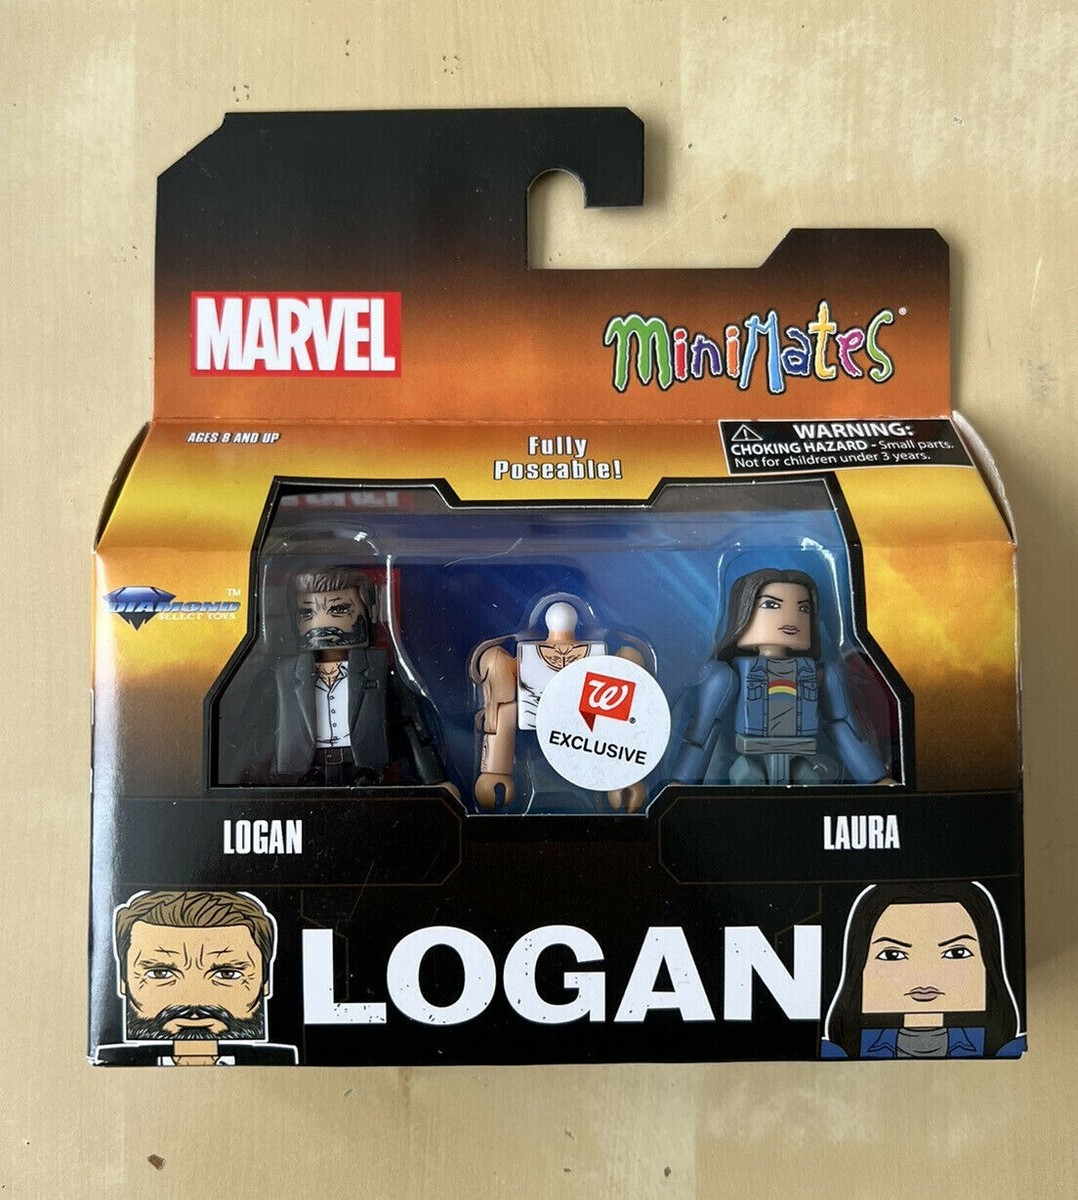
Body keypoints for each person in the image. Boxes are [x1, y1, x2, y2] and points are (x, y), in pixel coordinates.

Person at [238, 565, 453, 789]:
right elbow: (253, 733)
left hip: (363, 772)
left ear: (369, 612)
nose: (322, 624)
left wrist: (434, 779)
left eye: (338, 610)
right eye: (307, 613)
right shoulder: (282, 677)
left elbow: (411, 728)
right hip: (308, 774)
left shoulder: (381, 674)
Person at [673, 567, 887, 785]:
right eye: (771, 605)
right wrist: (682, 782)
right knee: (747, 779)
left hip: (800, 759)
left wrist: (876, 779)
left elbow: (843, 726)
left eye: (803, 608)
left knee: (809, 779)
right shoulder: (728, 675)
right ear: (743, 612)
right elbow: (702, 731)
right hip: (751, 763)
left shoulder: (821, 674)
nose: (791, 617)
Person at [821, 880, 1026, 1059]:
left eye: (956, 953)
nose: (924, 975)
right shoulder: (836, 1051)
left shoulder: (1005, 1047)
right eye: (893, 955)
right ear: (858, 964)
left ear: (989, 961)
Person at [94, 890, 297, 1066]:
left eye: (227, 974)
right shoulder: (112, 1067)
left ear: (265, 981)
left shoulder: (282, 1067)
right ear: (123, 980)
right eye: (160, 973)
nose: (194, 1001)